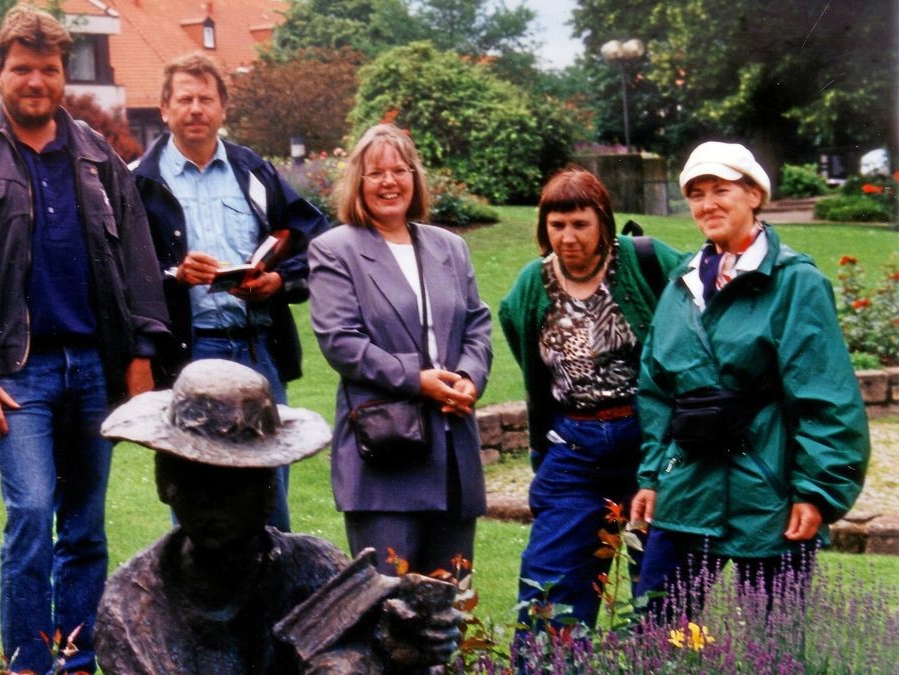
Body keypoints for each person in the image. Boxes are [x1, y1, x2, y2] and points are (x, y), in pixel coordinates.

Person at [0, 6, 169, 672]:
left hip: (94, 370)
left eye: (49, 69)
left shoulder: (95, 154)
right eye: (22, 68)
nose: (36, 81)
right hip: (14, 374)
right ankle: (29, 663)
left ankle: (77, 662)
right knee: (30, 513)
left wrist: (141, 355)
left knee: (84, 527)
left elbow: (138, 260)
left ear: (62, 75)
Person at [95, 359, 462, 674]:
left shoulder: (319, 574)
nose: (213, 503)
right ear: (165, 483)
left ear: (268, 491)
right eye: (196, 481)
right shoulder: (130, 609)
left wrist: (400, 653)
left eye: (233, 484)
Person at [630, 141, 870, 618]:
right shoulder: (681, 286)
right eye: (696, 194)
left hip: (766, 490)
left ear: (754, 195)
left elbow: (827, 396)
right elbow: (656, 392)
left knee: (772, 638)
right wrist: (653, 476)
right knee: (655, 630)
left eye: (721, 190)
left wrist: (817, 492)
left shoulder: (795, 282)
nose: (708, 204)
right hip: (687, 488)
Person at [133, 53, 328, 532]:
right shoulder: (139, 181)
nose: (195, 109)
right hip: (190, 354)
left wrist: (279, 281)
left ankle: (276, 582)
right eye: (184, 99)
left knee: (269, 497)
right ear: (164, 109)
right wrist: (175, 274)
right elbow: (121, 271)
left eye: (206, 99)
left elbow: (316, 238)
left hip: (257, 350)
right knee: (194, 496)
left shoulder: (254, 171)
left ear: (223, 108)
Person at [497, 168, 685, 631]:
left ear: (603, 221)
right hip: (576, 448)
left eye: (580, 224)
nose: (568, 237)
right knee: (549, 586)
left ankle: (653, 661)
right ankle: (552, 662)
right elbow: (527, 354)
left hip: (650, 441)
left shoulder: (645, 260)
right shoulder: (533, 284)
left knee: (658, 594)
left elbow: (699, 309)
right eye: (557, 225)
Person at [307, 124, 493, 576]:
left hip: (452, 450)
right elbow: (340, 341)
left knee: (452, 600)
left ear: (415, 177)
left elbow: (476, 323)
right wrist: (415, 380)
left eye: (399, 170)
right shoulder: (336, 250)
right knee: (389, 604)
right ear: (358, 182)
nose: (389, 182)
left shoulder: (450, 247)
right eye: (376, 173)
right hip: (386, 456)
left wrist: (470, 377)